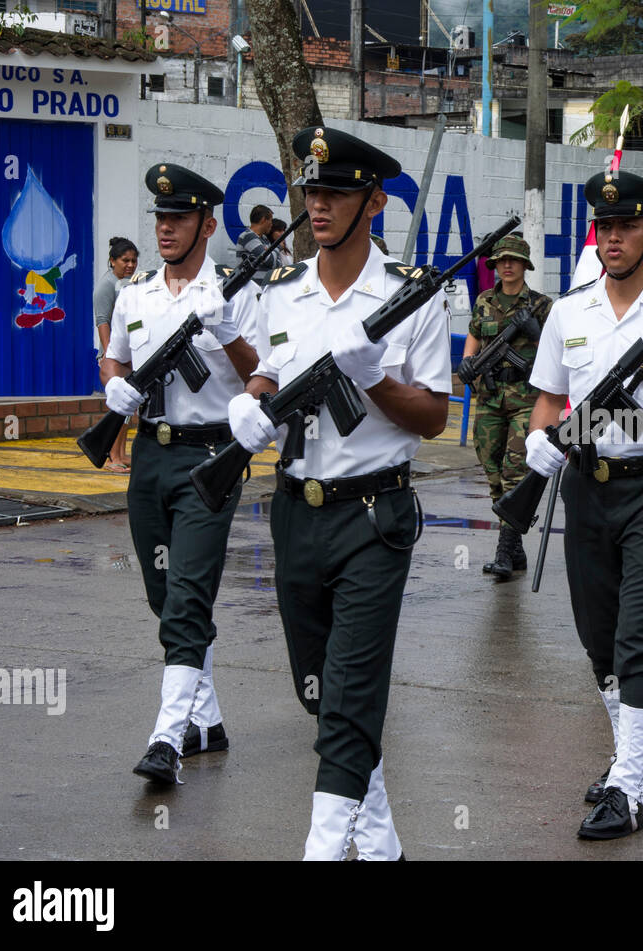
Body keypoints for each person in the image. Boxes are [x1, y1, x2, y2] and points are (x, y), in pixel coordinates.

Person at [228, 126, 450, 860]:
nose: (317, 205)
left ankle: (323, 849)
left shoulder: (412, 298)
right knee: (323, 694)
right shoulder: (283, 292)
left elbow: (434, 417)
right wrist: (253, 403)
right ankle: (382, 843)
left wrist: (375, 378)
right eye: (312, 191)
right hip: (295, 509)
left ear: (374, 201)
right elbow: (267, 370)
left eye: (335, 192)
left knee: (352, 690)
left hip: (372, 517)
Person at [525, 169, 643, 839]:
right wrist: (537, 436)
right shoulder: (568, 310)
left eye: (627, 226)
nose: (613, 237)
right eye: (604, 227)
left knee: (639, 637)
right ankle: (637, 751)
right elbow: (551, 396)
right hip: (586, 484)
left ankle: (626, 785)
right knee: (597, 636)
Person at [101, 163, 262, 785]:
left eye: (179, 219)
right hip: (150, 456)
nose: (166, 229)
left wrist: (227, 335)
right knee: (164, 596)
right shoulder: (133, 293)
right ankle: (207, 721)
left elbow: (260, 372)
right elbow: (114, 360)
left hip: (211, 458)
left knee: (189, 594)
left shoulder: (235, 291)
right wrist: (114, 389)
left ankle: (167, 738)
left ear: (207, 224)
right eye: (161, 219)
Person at [459, 233, 552, 579]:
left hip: (527, 400)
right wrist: (467, 362)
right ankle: (516, 546)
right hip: (490, 397)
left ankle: (503, 553)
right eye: (502, 260)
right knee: (492, 469)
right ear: (495, 265)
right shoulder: (484, 300)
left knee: (516, 470)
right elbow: (474, 334)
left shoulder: (542, 306)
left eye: (514, 260)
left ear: (525, 265)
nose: (508, 265)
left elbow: (557, 351)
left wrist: (536, 331)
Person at [94, 237, 139, 472]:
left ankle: (121, 453)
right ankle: (113, 456)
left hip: (128, 356)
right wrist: (110, 355)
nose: (130, 265)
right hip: (115, 357)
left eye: (133, 260)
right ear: (112, 261)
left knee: (127, 408)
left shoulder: (127, 284)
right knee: (118, 407)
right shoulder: (107, 285)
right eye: (125, 260)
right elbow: (102, 321)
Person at [235, 204, 275, 285]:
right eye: (271, 220)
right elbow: (270, 261)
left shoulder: (264, 238)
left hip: (263, 287)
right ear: (263, 220)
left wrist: (272, 255)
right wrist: (278, 247)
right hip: (251, 288)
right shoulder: (248, 236)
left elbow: (277, 263)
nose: (272, 224)